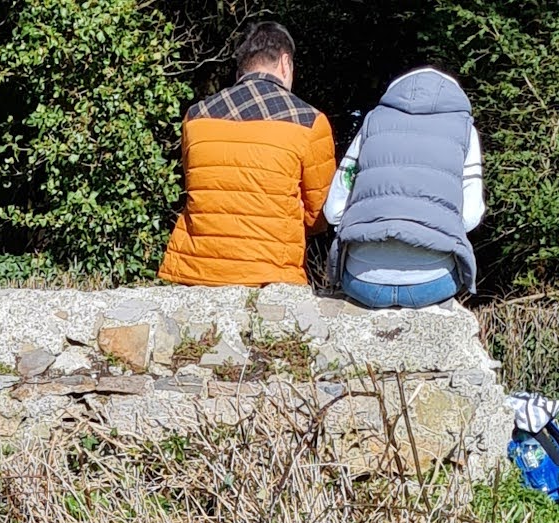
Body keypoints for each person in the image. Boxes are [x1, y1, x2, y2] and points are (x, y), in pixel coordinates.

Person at [159, 20, 335, 287]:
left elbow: (199, 187)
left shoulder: (195, 116)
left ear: (242, 67)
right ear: (285, 63)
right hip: (271, 275)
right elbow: (320, 215)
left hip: (196, 273)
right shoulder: (309, 121)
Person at [322, 69, 483, 308]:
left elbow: (333, 210)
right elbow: (470, 217)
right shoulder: (464, 130)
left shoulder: (372, 122)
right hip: (431, 284)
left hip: (362, 282)